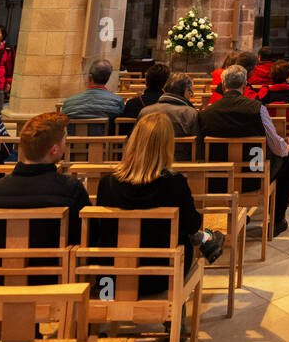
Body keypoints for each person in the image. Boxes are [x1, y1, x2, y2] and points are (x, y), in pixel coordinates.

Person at [95, 115, 224, 330]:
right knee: (185, 236)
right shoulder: (174, 183)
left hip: (112, 276)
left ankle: (206, 239)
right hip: (161, 275)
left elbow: (100, 228)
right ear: (167, 146)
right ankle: (174, 321)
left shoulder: (107, 183)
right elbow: (192, 223)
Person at [198, 64, 289, 237]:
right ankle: (277, 220)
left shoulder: (207, 112)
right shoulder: (257, 108)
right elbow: (275, 145)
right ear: (245, 85)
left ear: (223, 85)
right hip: (252, 178)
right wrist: (287, 148)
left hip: (216, 180)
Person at [0, 112, 89, 244]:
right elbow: (87, 236)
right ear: (54, 149)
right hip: (55, 263)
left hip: (0, 264)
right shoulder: (71, 189)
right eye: (64, 139)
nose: (65, 144)